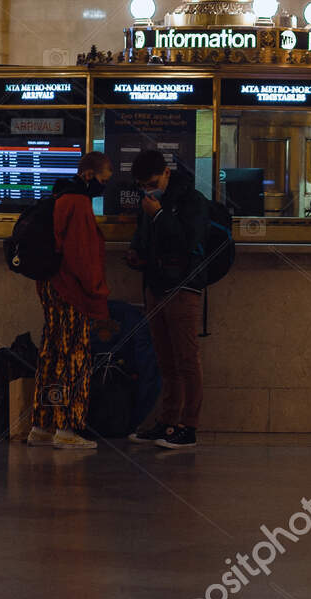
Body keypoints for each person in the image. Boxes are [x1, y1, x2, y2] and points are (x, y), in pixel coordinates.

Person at [27, 152, 115, 448]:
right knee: (74, 357)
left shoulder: (58, 198)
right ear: (89, 175)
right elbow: (83, 257)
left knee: (51, 355)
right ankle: (68, 428)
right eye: (104, 179)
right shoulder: (78, 203)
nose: (104, 185)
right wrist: (98, 291)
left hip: (52, 288)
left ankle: (42, 424)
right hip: (72, 292)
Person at [126, 149, 210, 450]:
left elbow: (188, 243)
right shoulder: (148, 204)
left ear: (166, 174)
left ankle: (189, 426)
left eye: (151, 182)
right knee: (166, 359)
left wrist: (159, 215)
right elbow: (144, 237)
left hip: (183, 287)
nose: (148, 189)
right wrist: (136, 252)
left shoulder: (192, 201)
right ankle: (167, 421)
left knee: (187, 360)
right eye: (142, 185)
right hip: (156, 286)